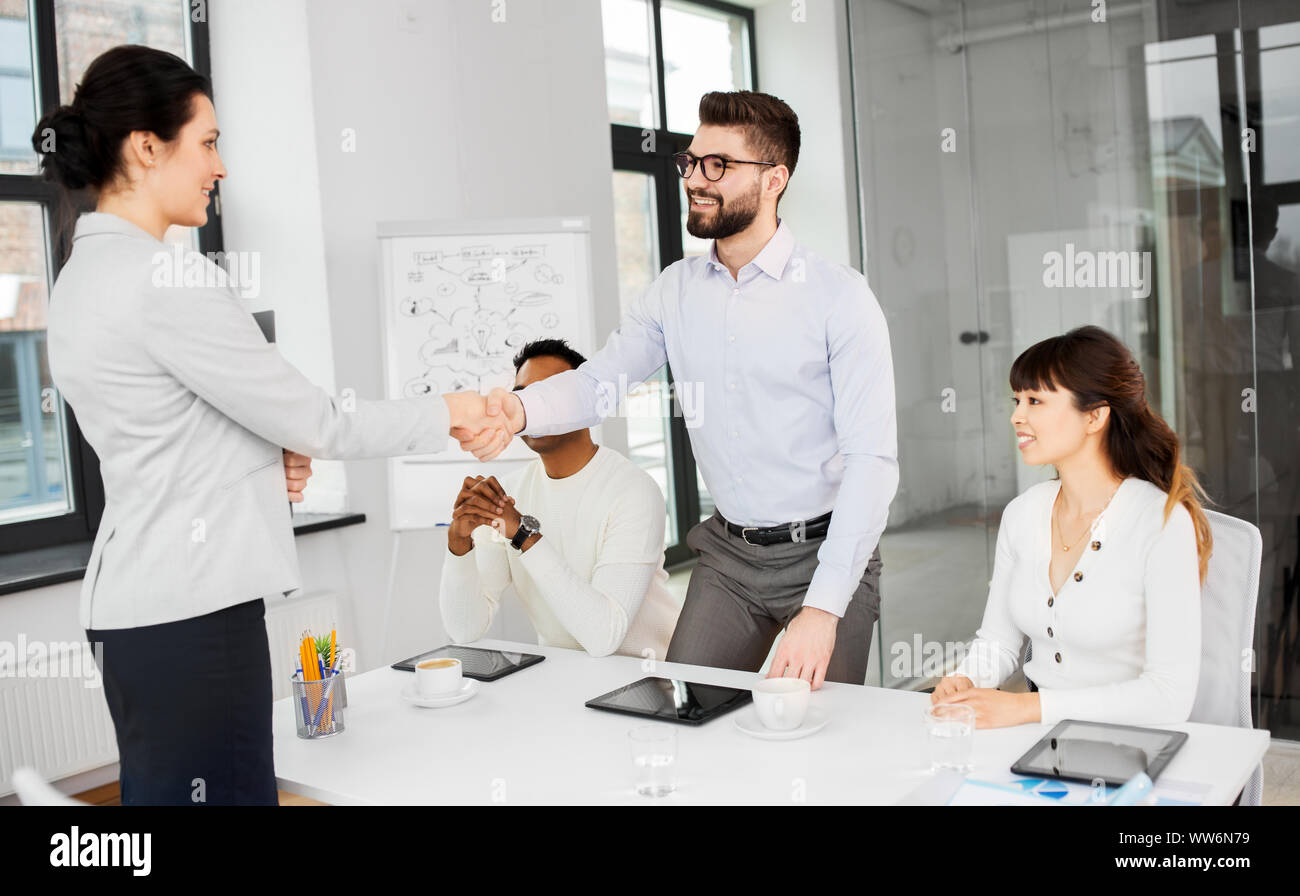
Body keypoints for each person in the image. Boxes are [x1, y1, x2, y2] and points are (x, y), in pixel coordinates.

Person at [33, 45, 510, 805]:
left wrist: (260, 451)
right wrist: (450, 410)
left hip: (131, 615)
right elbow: (320, 420)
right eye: (209, 143)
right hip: (194, 617)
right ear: (147, 146)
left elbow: (160, 434)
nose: (220, 168)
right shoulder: (168, 280)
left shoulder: (81, 276)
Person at [480, 91, 898, 688]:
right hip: (731, 555)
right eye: (692, 162)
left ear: (775, 179)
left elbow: (872, 464)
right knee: (686, 714)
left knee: (820, 736)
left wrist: (825, 606)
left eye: (718, 165)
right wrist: (517, 409)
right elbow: (598, 385)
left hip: (828, 549)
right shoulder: (674, 291)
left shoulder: (840, 297)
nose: (695, 179)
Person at [931, 326, 1211, 728]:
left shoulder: (1160, 522)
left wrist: (1030, 709)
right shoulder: (1022, 514)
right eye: (1017, 400)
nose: (1017, 416)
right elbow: (998, 642)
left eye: (1035, 401)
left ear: (1094, 416)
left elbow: (1169, 697)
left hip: (1135, 747)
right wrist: (966, 679)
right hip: (1042, 742)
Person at [439, 339, 680, 658]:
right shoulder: (510, 494)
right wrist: (459, 543)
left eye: (548, 393)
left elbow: (603, 637)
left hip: (641, 687)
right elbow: (465, 629)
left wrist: (522, 534)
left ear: (583, 401)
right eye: (523, 396)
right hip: (560, 684)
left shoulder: (634, 491)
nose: (532, 407)